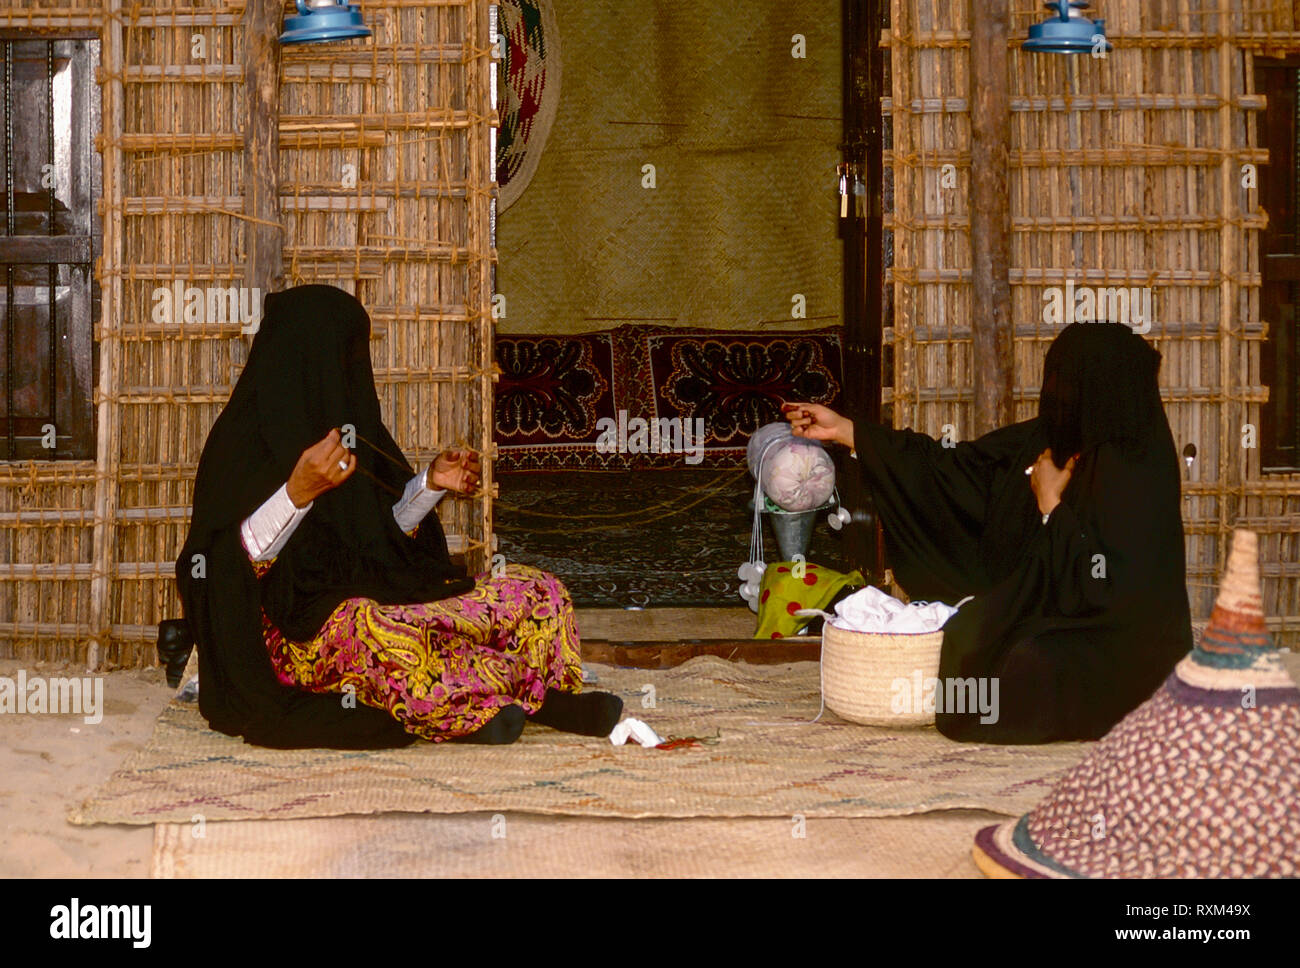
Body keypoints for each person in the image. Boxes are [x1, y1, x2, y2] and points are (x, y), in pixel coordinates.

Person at [176, 284, 623, 749]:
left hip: (378, 589)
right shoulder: (240, 442)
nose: (343, 371)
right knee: (376, 630)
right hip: (296, 630)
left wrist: (430, 486)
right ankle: (528, 704)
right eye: (332, 354)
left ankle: (489, 701)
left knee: (536, 591)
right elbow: (218, 563)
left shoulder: (356, 428)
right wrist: (295, 495)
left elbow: (377, 538)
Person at [785, 321, 1193, 744]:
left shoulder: (1137, 471)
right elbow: (959, 469)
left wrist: (1051, 505)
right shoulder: (1050, 437)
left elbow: (1106, 587)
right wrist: (846, 430)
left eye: (1067, 382)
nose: (1056, 394)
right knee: (971, 635)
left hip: (1127, 644)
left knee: (1026, 668)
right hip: (1057, 615)